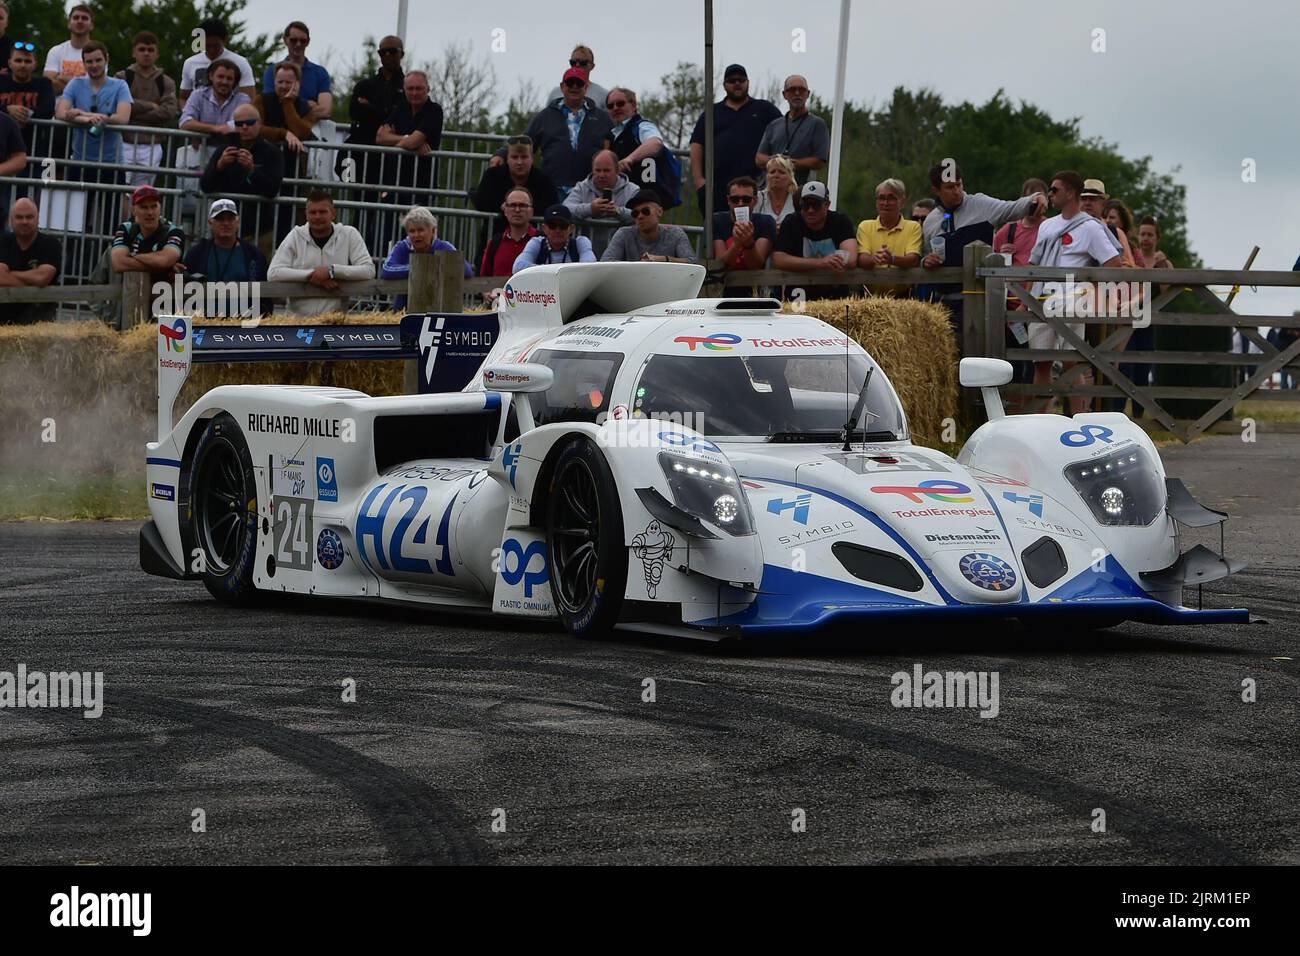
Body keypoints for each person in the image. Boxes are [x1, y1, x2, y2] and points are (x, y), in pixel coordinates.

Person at [1026, 170, 1124, 415]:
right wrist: (1023, 299)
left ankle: (1080, 419)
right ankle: (1040, 420)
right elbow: (1033, 266)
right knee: (1041, 363)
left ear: (1070, 193)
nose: (1050, 194)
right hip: (1041, 299)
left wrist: (1089, 289)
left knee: (1072, 362)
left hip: (1071, 300)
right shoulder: (1047, 225)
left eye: (1055, 189)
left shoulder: (1090, 227)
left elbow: (1113, 263)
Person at [921, 161, 1047, 323]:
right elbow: (925, 255)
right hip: (944, 302)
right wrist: (926, 261)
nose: (957, 191)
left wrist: (1035, 199)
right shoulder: (930, 221)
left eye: (959, 185)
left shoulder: (980, 205)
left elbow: (1011, 208)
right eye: (950, 187)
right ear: (936, 190)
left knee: (982, 348)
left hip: (981, 299)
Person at [493, 67, 612, 196]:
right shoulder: (545, 116)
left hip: (590, 188)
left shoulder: (602, 117)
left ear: (586, 88)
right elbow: (525, 141)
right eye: (570, 83)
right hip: (553, 188)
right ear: (562, 87)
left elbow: (616, 143)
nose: (575, 87)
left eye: (579, 83)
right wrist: (502, 154)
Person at [689, 64, 781, 215]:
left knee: (752, 232)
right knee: (716, 234)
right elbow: (697, 144)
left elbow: (783, 133)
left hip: (755, 188)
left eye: (741, 80)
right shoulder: (712, 112)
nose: (737, 83)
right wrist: (699, 181)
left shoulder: (765, 109)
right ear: (724, 85)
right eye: (732, 81)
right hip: (716, 188)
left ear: (748, 82)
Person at [267, 189, 374, 316]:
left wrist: (332, 271)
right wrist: (311, 275)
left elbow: (369, 270)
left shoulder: (349, 234)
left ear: (333, 214)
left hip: (334, 321)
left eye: (322, 212)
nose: (317, 216)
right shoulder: (296, 235)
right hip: (296, 320)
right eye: (312, 212)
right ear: (306, 215)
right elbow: (273, 273)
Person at [198, 103, 284, 240]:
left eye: (249, 123)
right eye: (239, 124)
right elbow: (205, 186)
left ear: (259, 123)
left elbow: (273, 189)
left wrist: (252, 170)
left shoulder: (272, 152)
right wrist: (219, 166)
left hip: (260, 230)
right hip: (225, 230)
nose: (244, 127)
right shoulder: (224, 151)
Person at [772, 180, 858, 300]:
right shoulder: (792, 221)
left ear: (827, 205)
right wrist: (822, 262)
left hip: (836, 297)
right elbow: (779, 259)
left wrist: (833, 262)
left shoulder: (840, 221)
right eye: (806, 205)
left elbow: (851, 258)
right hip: (798, 296)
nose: (810, 210)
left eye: (816, 205)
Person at [55, 42, 131, 175]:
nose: (94, 65)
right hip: (80, 160)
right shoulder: (75, 83)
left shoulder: (120, 85)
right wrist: (84, 119)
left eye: (98, 60)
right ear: (83, 63)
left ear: (106, 59)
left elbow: (123, 118)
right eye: (89, 62)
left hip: (111, 162)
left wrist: (83, 113)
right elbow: (60, 113)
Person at [115, 32, 177, 189]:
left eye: (150, 50)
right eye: (142, 49)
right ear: (133, 52)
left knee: (144, 192)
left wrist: (132, 110)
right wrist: (151, 105)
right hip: (124, 141)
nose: (146, 53)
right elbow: (116, 105)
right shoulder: (122, 77)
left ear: (157, 53)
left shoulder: (165, 81)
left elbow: (168, 112)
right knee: (120, 188)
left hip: (152, 144)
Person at [381, 206, 473, 310]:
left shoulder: (444, 246)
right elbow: (386, 270)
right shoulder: (402, 246)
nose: (416, 235)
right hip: (404, 310)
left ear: (433, 231)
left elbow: (466, 270)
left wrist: (431, 267)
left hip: (440, 310)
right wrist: (420, 268)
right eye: (412, 231)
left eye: (420, 230)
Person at [604, 87, 680, 208]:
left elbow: (655, 143)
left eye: (620, 103)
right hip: (622, 201)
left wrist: (630, 159)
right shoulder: (612, 135)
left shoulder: (642, 126)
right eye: (610, 106)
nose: (615, 108)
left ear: (633, 105)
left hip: (644, 202)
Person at [376, 70, 443, 200]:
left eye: (419, 88)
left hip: (422, 184)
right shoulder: (400, 108)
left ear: (428, 89)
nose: (414, 93)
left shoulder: (434, 110)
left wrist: (399, 142)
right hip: (394, 181)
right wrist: (407, 140)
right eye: (410, 89)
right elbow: (380, 137)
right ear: (404, 90)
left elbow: (413, 141)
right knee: (387, 219)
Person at [472, 134, 557, 235]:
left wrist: (523, 207)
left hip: (532, 241)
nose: (519, 162)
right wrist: (502, 206)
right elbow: (481, 202)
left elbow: (552, 206)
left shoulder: (543, 180)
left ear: (532, 158)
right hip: (495, 237)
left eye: (524, 157)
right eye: (515, 157)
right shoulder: (492, 175)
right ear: (507, 158)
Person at [755, 74, 830, 186]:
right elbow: (759, 158)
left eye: (801, 89)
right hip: (771, 190)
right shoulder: (774, 125)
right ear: (784, 94)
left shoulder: (817, 124)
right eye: (792, 90)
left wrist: (791, 163)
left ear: (808, 94)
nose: (797, 93)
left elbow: (820, 160)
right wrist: (778, 163)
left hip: (800, 191)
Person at [182, 199, 268, 292]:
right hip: (203, 306)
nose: (226, 223)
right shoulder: (196, 253)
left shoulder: (254, 254)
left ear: (237, 222)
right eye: (220, 219)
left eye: (230, 219)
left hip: (244, 306)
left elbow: (264, 294)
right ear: (210, 223)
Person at [855, 177, 922, 296]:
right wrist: (874, 259)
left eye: (891, 198)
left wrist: (891, 259)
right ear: (876, 202)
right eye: (881, 198)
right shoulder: (865, 226)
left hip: (904, 297)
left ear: (902, 202)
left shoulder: (913, 227)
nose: (885, 203)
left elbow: (913, 259)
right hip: (869, 298)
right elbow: (862, 259)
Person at [0, 198, 61, 324]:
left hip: (38, 319)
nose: (24, 221)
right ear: (10, 221)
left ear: (38, 219)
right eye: (19, 217)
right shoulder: (3, 242)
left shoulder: (51, 244)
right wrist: (31, 290)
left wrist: (11, 274)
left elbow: (42, 277)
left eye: (29, 217)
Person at [713, 176, 776, 297]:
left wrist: (748, 243)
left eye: (746, 199)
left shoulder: (766, 222)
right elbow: (720, 265)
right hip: (721, 290)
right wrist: (736, 245)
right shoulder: (717, 220)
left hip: (754, 291)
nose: (740, 204)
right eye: (735, 199)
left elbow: (756, 265)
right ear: (728, 200)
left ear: (755, 201)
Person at [110, 184, 185, 286]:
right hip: (132, 294)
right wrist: (163, 268)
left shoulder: (174, 231)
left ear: (160, 209)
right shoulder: (126, 228)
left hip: (165, 297)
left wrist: (133, 255)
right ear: (133, 211)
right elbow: (118, 263)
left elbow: (163, 260)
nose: (150, 212)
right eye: (144, 207)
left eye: (154, 206)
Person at [261, 21, 332, 122]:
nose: (298, 44)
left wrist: (286, 105)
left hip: (312, 130)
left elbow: (325, 111)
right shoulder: (272, 71)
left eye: (302, 41)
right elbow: (270, 107)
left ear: (308, 42)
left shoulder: (320, 73)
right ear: (285, 40)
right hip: (280, 129)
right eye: (294, 40)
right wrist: (306, 106)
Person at [602, 189, 695, 263]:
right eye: (635, 213)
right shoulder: (624, 234)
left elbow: (693, 262)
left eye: (645, 211)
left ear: (659, 212)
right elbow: (605, 263)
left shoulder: (675, 234)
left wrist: (663, 259)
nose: (640, 216)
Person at [179, 17, 256, 105]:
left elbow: (249, 99)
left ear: (225, 40)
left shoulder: (240, 63)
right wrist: (188, 115)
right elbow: (183, 98)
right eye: (207, 45)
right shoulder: (190, 63)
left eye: (216, 46)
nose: (212, 50)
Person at [0, 43, 55, 154]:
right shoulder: (1, 82)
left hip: (34, 149)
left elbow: (48, 110)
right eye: (18, 61)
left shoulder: (44, 84)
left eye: (28, 61)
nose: (23, 65)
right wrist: (8, 109)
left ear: (35, 65)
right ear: (9, 63)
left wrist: (21, 114)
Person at [178, 58, 250, 142]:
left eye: (229, 78)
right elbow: (184, 122)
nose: (224, 82)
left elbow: (240, 126)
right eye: (220, 77)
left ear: (235, 82)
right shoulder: (198, 95)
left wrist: (199, 128)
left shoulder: (243, 99)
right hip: (201, 150)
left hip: (231, 150)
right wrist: (217, 128)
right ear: (211, 76)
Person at [512, 204, 596, 271]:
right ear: (544, 228)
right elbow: (518, 267)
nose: (557, 230)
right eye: (552, 226)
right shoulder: (536, 242)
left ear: (571, 229)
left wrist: (543, 270)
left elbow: (589, 267)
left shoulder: (580, 242)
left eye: (563, 226)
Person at [564, 149, 639, 223]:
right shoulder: (582, 187)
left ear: (617, 171)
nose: (601, 175)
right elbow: (565, 209)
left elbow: (642, 215)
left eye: (606, 170)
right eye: (597, 170)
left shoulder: (632, 190)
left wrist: (618, 211)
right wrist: (590, 209)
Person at [480, 186, 539, 280]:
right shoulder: (494, 243)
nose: (517, 210)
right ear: (505, 211)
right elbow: (484, 279)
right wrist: (487, 294)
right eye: (512, 205)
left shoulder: (543, 242)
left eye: (522, 205)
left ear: (531, 211)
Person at [256, 61, 314, 154]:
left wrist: (287, 103)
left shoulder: (306, 107)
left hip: (294, 160)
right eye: (280, 82)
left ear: (297, 83)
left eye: (288, 82)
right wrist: (284, 134)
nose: (284, 86)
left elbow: (302, 133)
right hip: (265, 157)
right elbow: (256, 128)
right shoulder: (261, 100)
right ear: (274, 81)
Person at [43, 3, 93, 95]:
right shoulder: (55, 51)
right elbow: (48, 86)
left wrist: (62, 78)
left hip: (87, 108)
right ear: (69, 24)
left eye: (84, 18)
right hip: (57, 107)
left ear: (91, 25)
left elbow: (95, 88)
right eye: (76, 18)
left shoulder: (98, 53)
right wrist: (82, 86)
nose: (80, 21)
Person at [545, 45, 609, 115]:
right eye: (573, 62)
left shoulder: (603, 95)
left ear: (592, 66)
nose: (577, 65)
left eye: (583, 62)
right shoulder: (555, 93)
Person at [754, 154, 797, 229]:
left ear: (790, 176)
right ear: (767, 176)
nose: (776, 175)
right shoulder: (757, 198)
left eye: (781, 172)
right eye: (772, 172)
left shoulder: (797, 198)